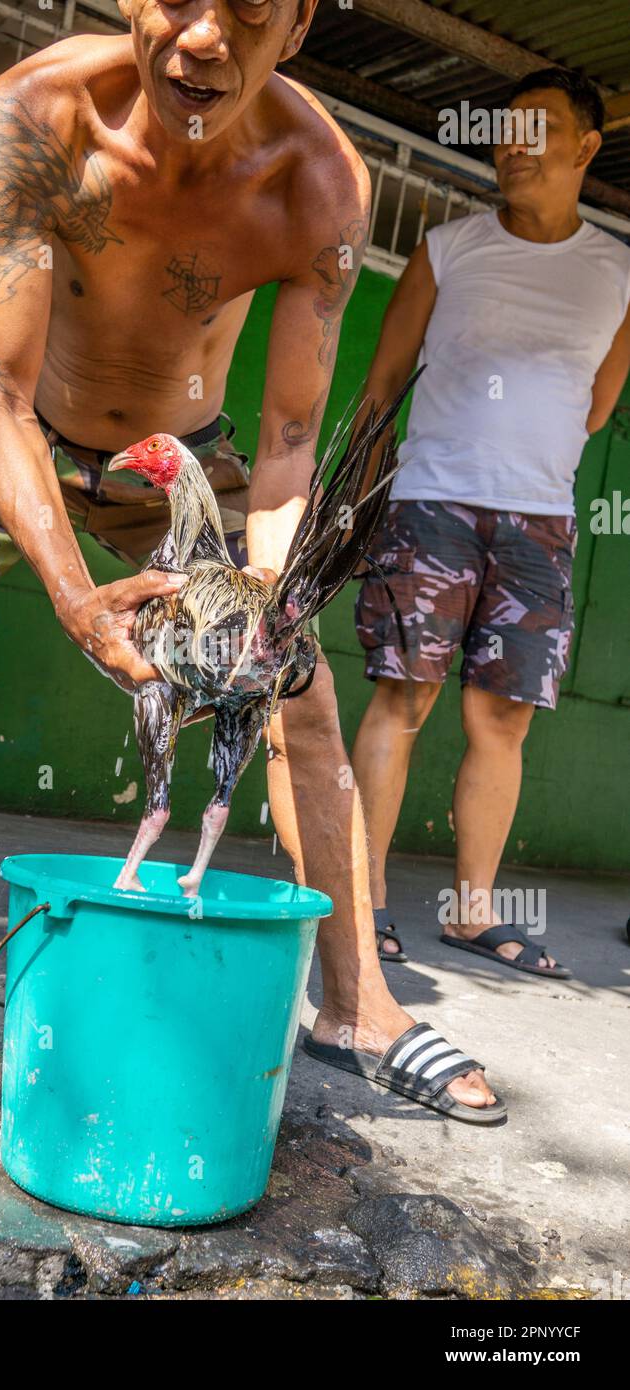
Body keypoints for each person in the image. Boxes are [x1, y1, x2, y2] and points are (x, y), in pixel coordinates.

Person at [0, 3, 502, 1122]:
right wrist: (75, 599)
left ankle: (359, 1005)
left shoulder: (319, 185)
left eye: (248, 7)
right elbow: (3, 398)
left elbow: (295, 443)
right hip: (18, 432)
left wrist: (265, 603)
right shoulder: (38, 113)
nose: (203, 39)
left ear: (296, 24)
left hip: (184, 461)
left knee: (295, 698)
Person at [353, 68, 630, 974]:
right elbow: (383, 382)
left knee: (503, 719)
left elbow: (595, 409)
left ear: (586, 148)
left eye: (537, 129)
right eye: (504, 129)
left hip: (539, 523)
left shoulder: (619, 272)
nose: (512, 144)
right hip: (431, 501)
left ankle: (474, 912)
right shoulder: (450, 249)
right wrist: (349, 494)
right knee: (404, 697)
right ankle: (363, 900)